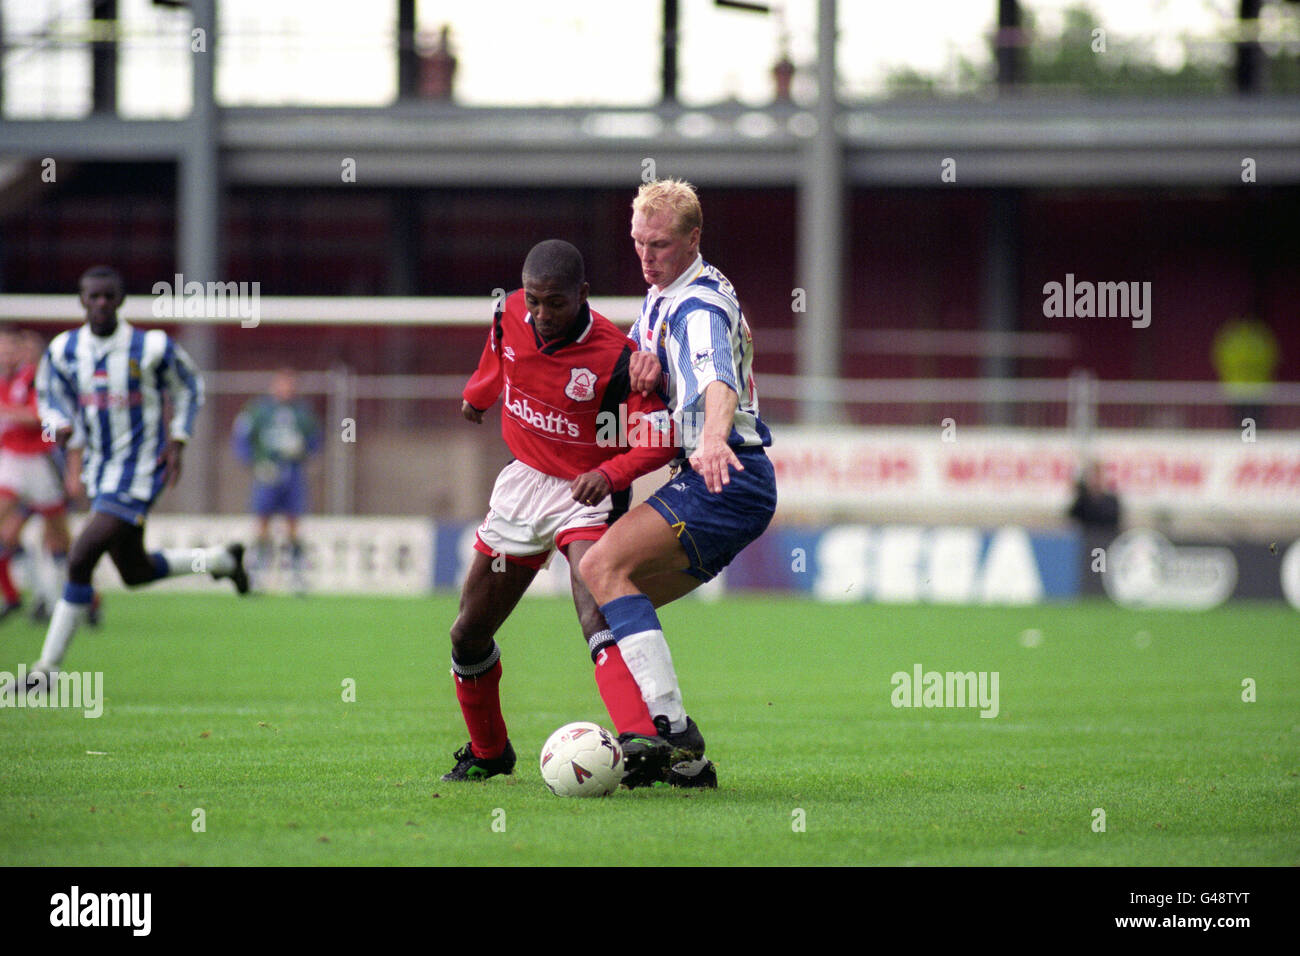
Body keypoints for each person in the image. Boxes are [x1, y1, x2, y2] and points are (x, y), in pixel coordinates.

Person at [441, 239, 678, 783]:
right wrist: (478, 396)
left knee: (595, 610)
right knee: (467, 633)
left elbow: (661, 439)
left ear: (584, 295)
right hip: (522, 486)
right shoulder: (510, 315)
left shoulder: (618, 358)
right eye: (535, 302)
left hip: (585, 494)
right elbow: (497, 356)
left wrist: (610, 474)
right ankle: (489, 752)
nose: (542, 315)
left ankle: (641, 740)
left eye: (555, 303)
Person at [579, 179, 778, 788]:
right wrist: (647, 365)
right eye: (638, 242)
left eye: (659, 245)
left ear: (693, 238)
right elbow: (663, 366)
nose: (645, 256)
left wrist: (713, 435)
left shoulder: (698, 308)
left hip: (727, 474)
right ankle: (687, 766)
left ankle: (667, 731)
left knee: (601, 568)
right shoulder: (666, 291)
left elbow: (715, 376)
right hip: (723, 480)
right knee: (603, 608)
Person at [1, 265, 249, 695]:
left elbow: (191, 387)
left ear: (120, 300)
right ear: (82, 300)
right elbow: (49, 401)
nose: (100, 303)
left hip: (142, 469)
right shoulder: (64, 351)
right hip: (100, 470)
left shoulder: (149, 347)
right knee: (133, 571)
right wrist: (56, 426)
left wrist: (179, 439)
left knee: (80, 558)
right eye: (92, 296)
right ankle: (220, 561)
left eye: (107, 296)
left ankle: (46, 671)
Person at [0, 329, 76, 623]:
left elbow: (43, 419)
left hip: (41, 464)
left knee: (58, 539)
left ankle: (81, 600)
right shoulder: (8, 380)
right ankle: (24, 597)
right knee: (7, 534)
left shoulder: (37, 379)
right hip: (13, 463)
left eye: (11, 349)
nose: (8, 355)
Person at [232, 368, 322, 593]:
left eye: (290, 384)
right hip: (267, 475)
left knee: (294, 526)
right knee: (262, 524)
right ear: (274, 385)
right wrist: (256, 464)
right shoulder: (258, 410)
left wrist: (303, 451)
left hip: (293, 475)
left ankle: (297, 576)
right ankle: (258, 575)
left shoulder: (303, 412)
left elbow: (315, 441)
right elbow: (242, 438)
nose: (286, 389)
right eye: (282, 384)